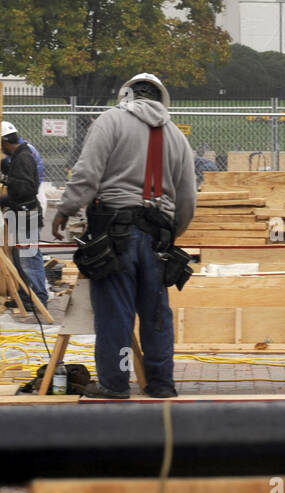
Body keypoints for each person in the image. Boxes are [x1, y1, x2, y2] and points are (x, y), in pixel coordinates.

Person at [51, 72, 196, 399]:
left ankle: (114, 384)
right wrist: (172, 233)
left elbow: (87, 173)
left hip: (115, 235)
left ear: (126, 95)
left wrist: (66, 209)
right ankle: (161, 384)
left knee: (116, 313)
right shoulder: (176, 136)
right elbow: (187, 198)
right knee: (156, 315)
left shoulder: (110, 121)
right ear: (161, 99)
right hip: (158, 237)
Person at [0, 123, 47, 314]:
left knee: (29, 257)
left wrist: (6, 190)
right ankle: (27, 296)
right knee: (21, 257)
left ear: (4, 141)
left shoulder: (24, 157)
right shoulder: (18, 156)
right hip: (21, 213)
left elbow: (28, 188)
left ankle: (38, 298)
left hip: (26, 215)